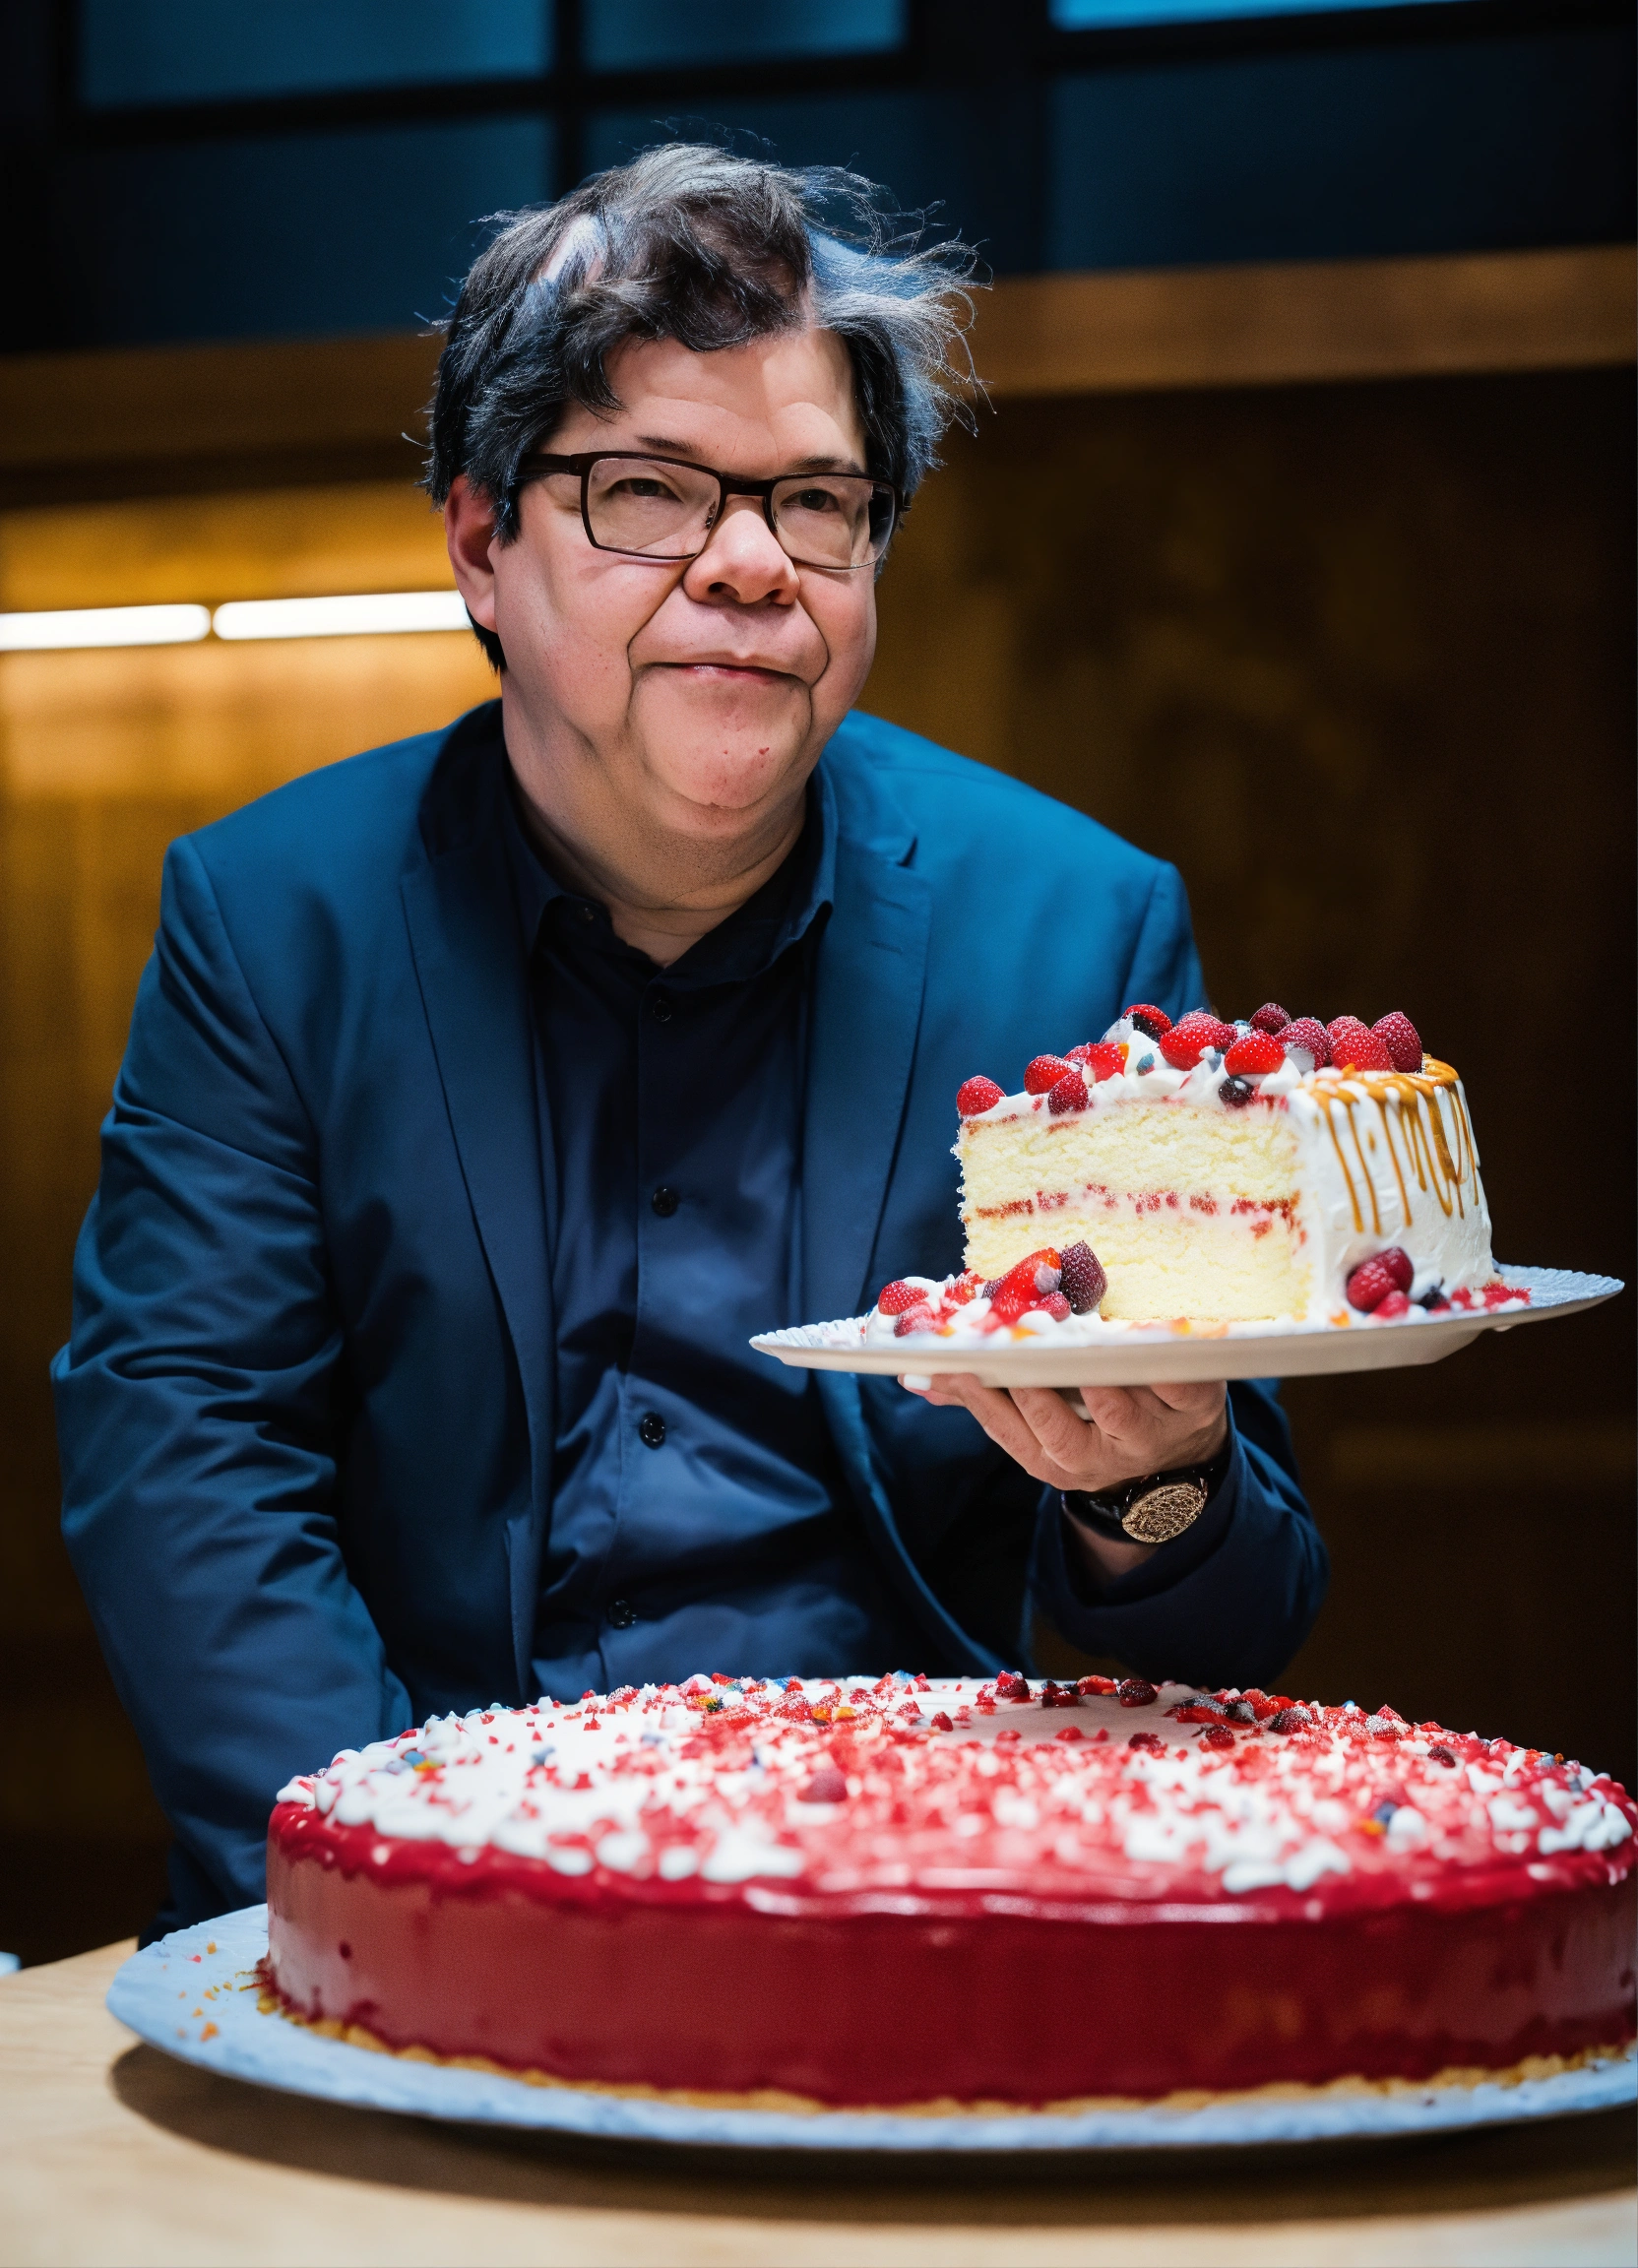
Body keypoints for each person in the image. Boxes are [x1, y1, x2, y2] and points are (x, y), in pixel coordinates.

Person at [53, 146, 1327, 1931]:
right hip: (417, 1880)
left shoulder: (1072, 927)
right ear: (482, 541)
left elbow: (1226, 1610)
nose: (749, 565)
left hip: (915, 1908)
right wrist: (426, 1891)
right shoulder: (275, 923)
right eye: (648, 490)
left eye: (818, 500)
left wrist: (1157, 1486)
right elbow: (186, 1449)